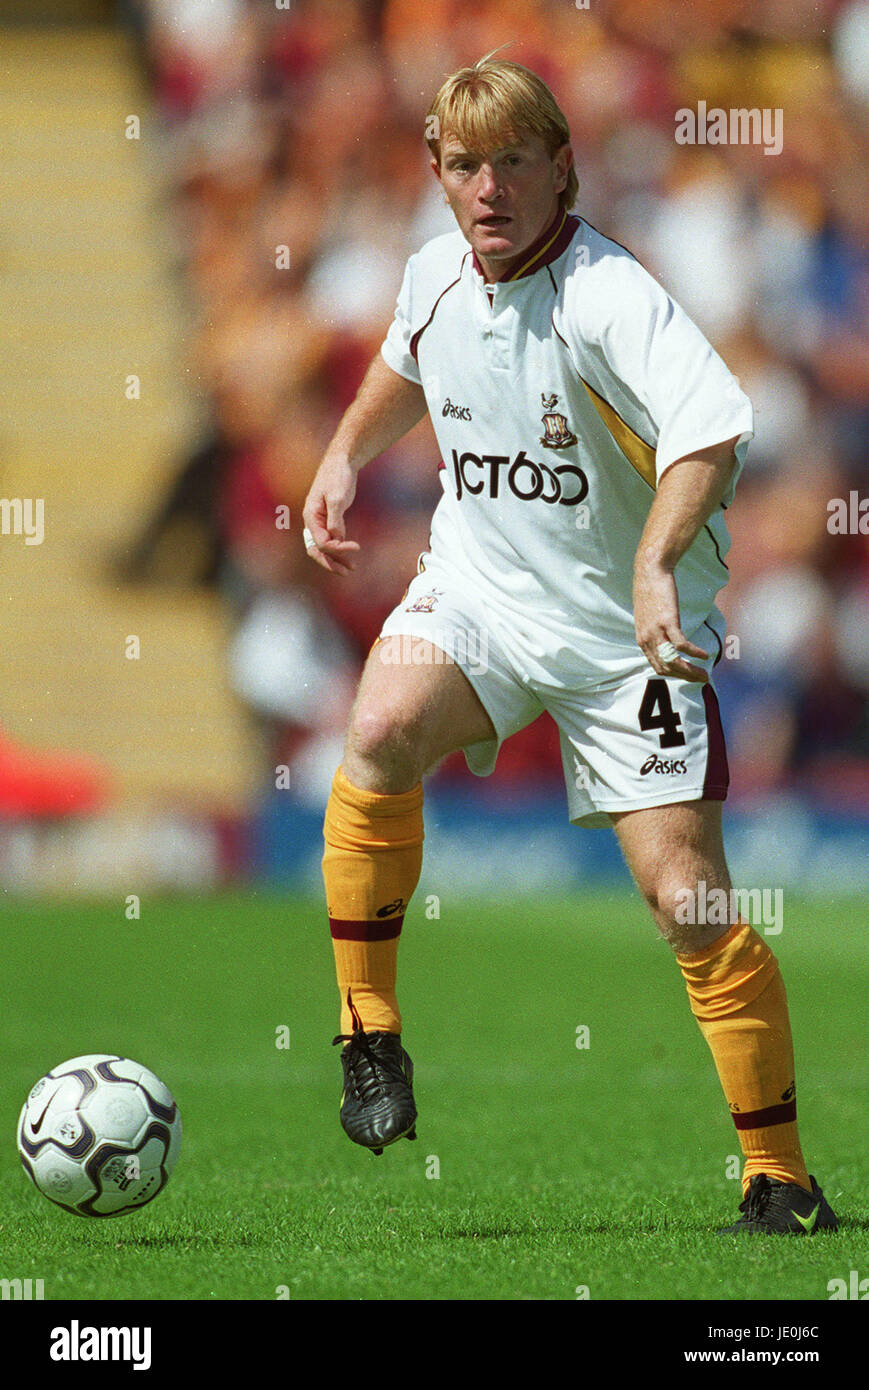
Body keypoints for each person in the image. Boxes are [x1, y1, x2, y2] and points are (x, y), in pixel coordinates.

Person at [302, 55, 837, 1235]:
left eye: (508, 162)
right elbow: (403, 360)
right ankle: (367, 1031)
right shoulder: (437, 271)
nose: (484, 189)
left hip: (621, 642)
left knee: (687, 899)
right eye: (460, 165)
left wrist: (653, 564)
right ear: (437, 176)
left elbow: (710, 431)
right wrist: (344, 455)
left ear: (559, 169)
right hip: (482, 597)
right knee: (379, 725)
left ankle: (779, 1175)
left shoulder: (611, 295)